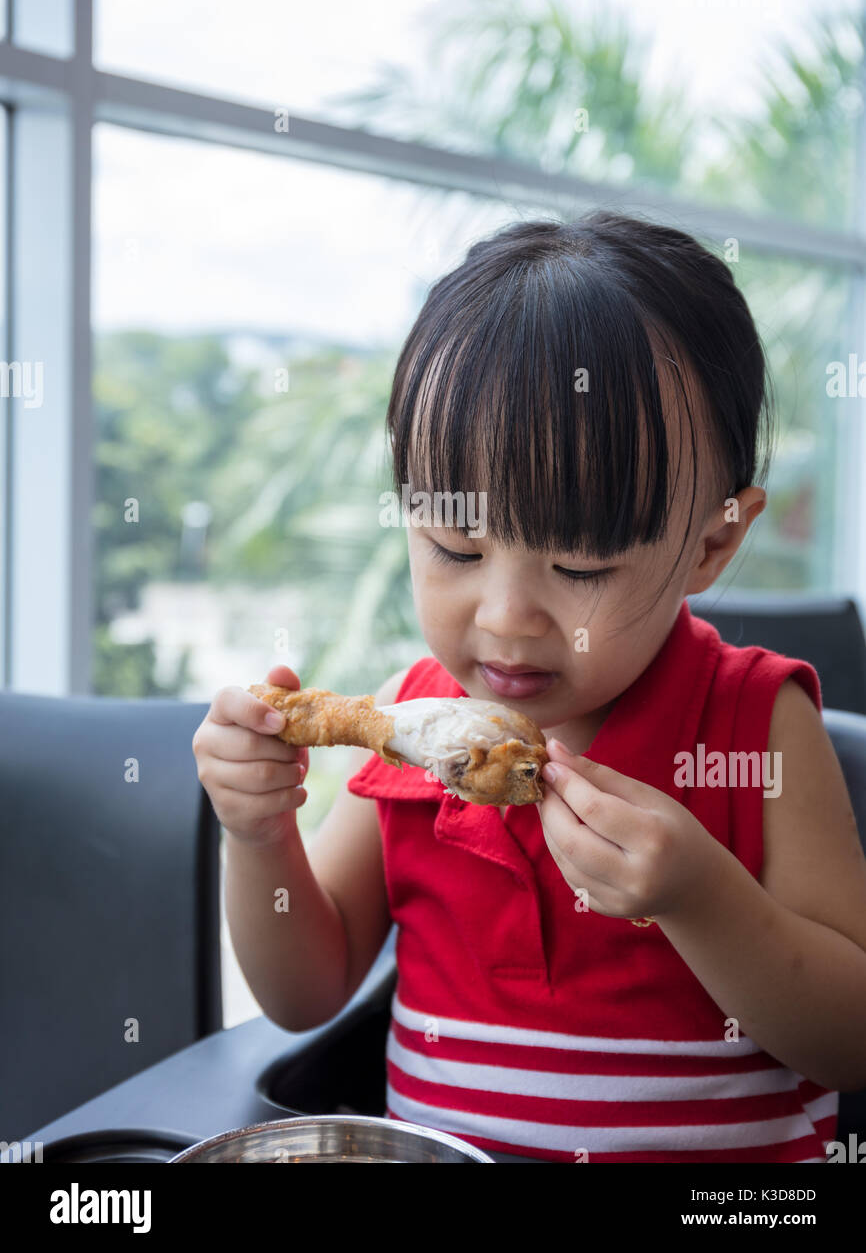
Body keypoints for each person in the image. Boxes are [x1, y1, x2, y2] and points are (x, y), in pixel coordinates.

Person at [192, 211, 866, 1163]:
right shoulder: (407, 727)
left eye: (581, 568)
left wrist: (700, 899)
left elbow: (849, 1043)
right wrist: (258, 838)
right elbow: (305, 992)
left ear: (713, 542)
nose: (506, 618)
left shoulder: (758, 725)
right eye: (455, 548)